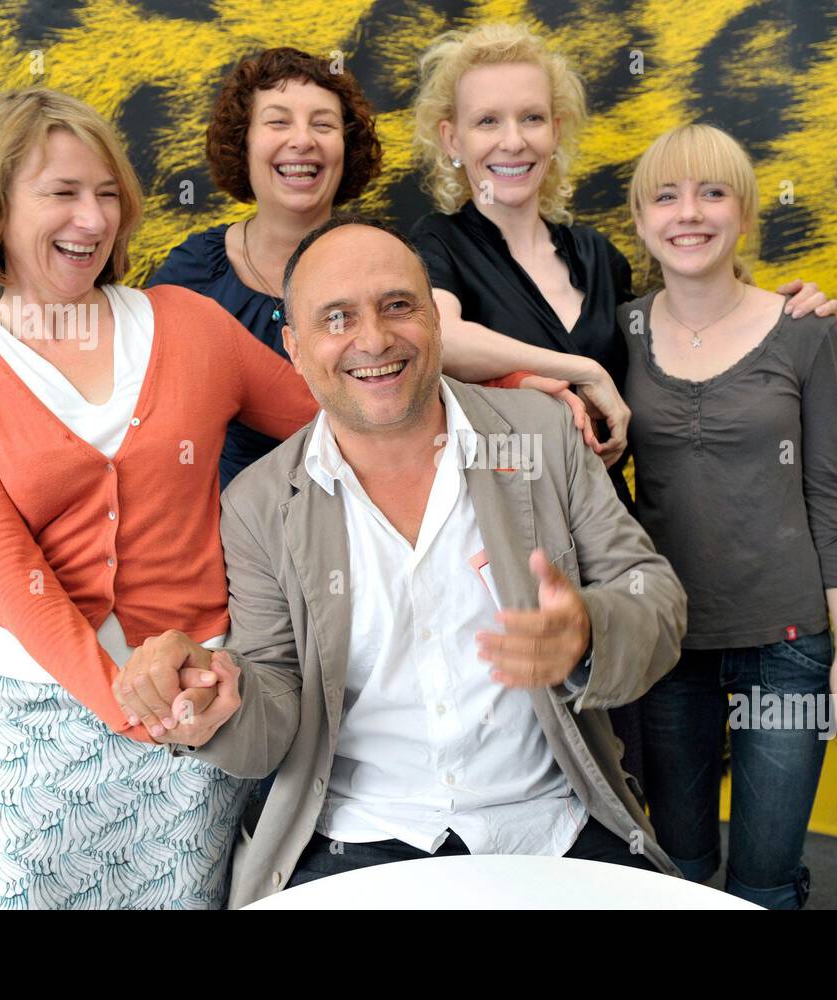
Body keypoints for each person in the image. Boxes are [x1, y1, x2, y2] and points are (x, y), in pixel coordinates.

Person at [112, 216, 690, 907]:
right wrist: (214, 706)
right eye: (337, 318)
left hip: (552, 826)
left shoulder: (541, 436)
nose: (375, 339)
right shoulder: (259, 502)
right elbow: (274, 703)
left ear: (436, 321)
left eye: (397, 306)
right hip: (355, 845)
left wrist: (589, 632)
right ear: (294, 347)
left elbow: (653, 595)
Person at [0, 88, 322, 908]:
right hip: (39, 723)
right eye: (61, 193)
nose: (92, 221)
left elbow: (343, 412)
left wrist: (522, 385)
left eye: (105, 194)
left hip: (197, 704)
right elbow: (7, 574)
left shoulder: (191, 324)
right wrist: (135, 707)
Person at [408, 21, 837, 789]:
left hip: (613, 556)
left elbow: (689, 330)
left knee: (635, 787)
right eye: (487, 121)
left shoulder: (597, 255)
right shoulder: (436, 243)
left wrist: (786, 314)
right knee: (532, 780)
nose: (513, 140)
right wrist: (575, 367)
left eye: (532, 118)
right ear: (452, 138)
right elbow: (440, 339)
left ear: (558, 131)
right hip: (502, 552)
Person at [620, 123, 837, 909]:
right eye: (665, 196)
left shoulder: (805, 331)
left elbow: (832, 493)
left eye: (712, 193)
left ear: (745, 213)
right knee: (681, 874)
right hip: (667, 647)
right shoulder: (620, 331)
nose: (688, 213)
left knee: (765, 883)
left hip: (789, 645)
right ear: (639, 221)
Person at [151, 47, 590, 488]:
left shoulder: (389, 261)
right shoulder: (194, 274)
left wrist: (520, 384)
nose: (302, 140)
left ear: (347, 146)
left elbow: (440, 379)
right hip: (243, 531)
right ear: (242, 141)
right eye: (278, 121)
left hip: (380, 518)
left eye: (323, 124)